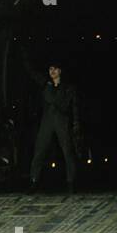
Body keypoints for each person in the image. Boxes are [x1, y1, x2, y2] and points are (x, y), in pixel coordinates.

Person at [29, 62, 80, 193]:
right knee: (39, 151)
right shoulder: (46, 85)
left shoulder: (68, 87)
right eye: (50, 69)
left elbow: (73, 106)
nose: (52, 71)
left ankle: (71, 183)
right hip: (47, 121)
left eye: (55, 69)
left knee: (67, 152)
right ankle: (33, 181)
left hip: (62, 121)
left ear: (60, 71)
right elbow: (33, 74)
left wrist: (75, 124)